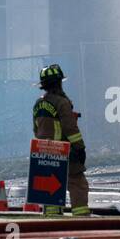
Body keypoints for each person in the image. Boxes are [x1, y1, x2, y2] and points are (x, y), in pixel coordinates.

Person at [32, 63, 88, 214]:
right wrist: (80, 147)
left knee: (49, 186)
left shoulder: (38, 103)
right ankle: (81, 216)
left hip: (43, 152)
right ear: (58, 82)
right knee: (77, 182)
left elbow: (36, 128)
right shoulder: (62, 102)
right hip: (63, 150)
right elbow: (70, 128)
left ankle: (52, 216)